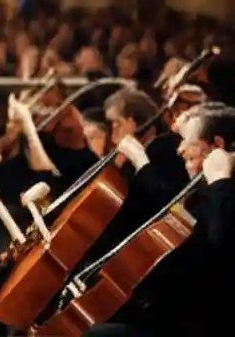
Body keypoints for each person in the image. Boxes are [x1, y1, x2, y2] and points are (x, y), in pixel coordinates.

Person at [81, 103, 235, 335]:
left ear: (218, 147)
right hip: (167, 310)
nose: (179, 149)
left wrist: (221, 182)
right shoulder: (200, 190)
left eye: (188, 141)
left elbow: (220, 243)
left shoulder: (223, 193)